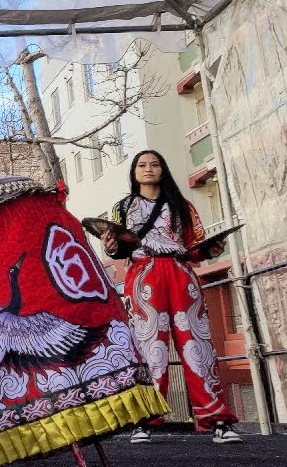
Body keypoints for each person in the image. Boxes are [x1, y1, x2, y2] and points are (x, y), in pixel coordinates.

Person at [103, 149, 242, 446]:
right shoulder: (122, 208)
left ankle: (218, 420)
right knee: (148, 346)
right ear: (134, 172)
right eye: (142, 165)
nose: (148, 169)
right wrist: (110, 247)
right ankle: (144, 421)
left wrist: (211, 250)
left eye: (154, 164)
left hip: (181, 274)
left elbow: (194, 247)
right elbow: (119, 250)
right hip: (143, 277)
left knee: (197, 344)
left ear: (163, 169)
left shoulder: (183, 206)